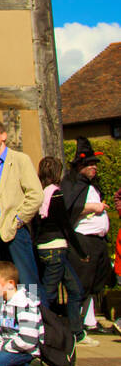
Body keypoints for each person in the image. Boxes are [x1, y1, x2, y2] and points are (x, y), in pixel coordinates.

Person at [61, 139, 114, 340]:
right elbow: (68, 209)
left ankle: (90, 321)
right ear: (80, 166)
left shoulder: (92, 185)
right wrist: (93, 208)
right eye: (89, 164)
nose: (93, 168)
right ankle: (77, 324)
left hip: (98, 241)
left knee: (94, 284)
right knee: (82, 284)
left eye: (95, 164)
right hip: (82, 241)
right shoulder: (71, 184)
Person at [0, 120, 42, 290]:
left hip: (14, 228)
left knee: (27, 278)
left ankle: (37, 315)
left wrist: (19, 219)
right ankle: (2, 316)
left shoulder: (20, 160)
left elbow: (36, 194)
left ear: (3, 136)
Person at [32, 156, 85, 330]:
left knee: (75, 289)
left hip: (43, 247)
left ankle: (76, 331)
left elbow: (36, 225)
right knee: (49, 293)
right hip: (56, 248)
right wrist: (81, 252)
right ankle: (41, 328)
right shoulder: (56, 194)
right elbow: (66, 226)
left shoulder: (39, 194)